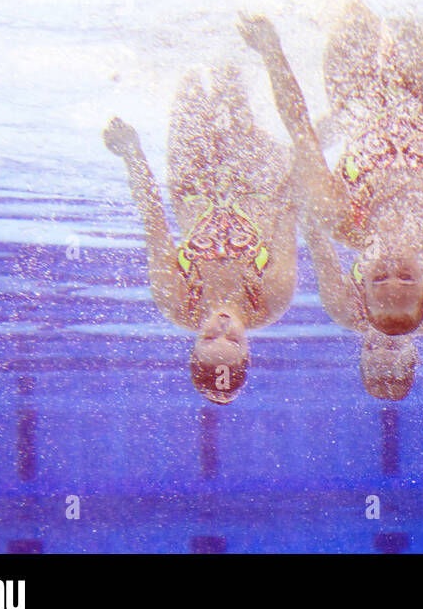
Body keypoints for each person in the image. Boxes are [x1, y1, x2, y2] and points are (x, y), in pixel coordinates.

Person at [239, 4, 423, 399]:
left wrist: (271, 51)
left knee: (352, 6)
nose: (382, 336)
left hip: (357, 96)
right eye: (393, 345)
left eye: (372, 346)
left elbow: (300, 133)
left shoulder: (342, 229)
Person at [103, 65, 306, 404]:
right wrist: (299, 149)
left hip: (191, 185)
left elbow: (153, 219)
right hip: (256, 180)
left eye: (210, 338)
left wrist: (132, 154)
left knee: (189, 79)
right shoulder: (274, 299)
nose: (223, 326)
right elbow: (288, 209)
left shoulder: (175, 300)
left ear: (194, 347)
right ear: (248, 351)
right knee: (231, 75)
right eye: (235, 341)